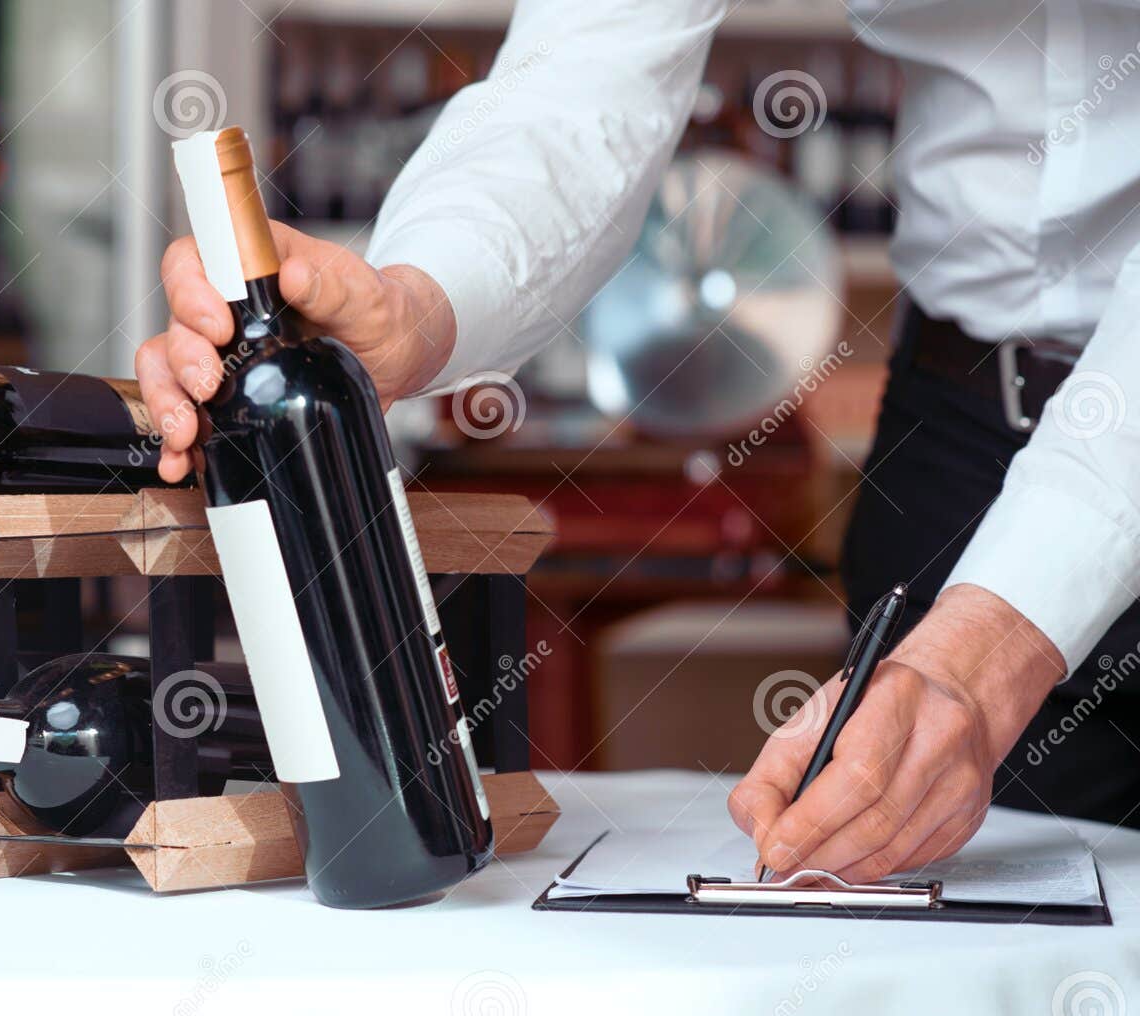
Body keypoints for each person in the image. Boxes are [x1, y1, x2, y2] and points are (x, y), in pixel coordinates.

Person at [135, 0, 1140, 882]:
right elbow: (588, 71)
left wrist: (992, 644)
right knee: (976, 990)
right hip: (956, 430)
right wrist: (414, 304)